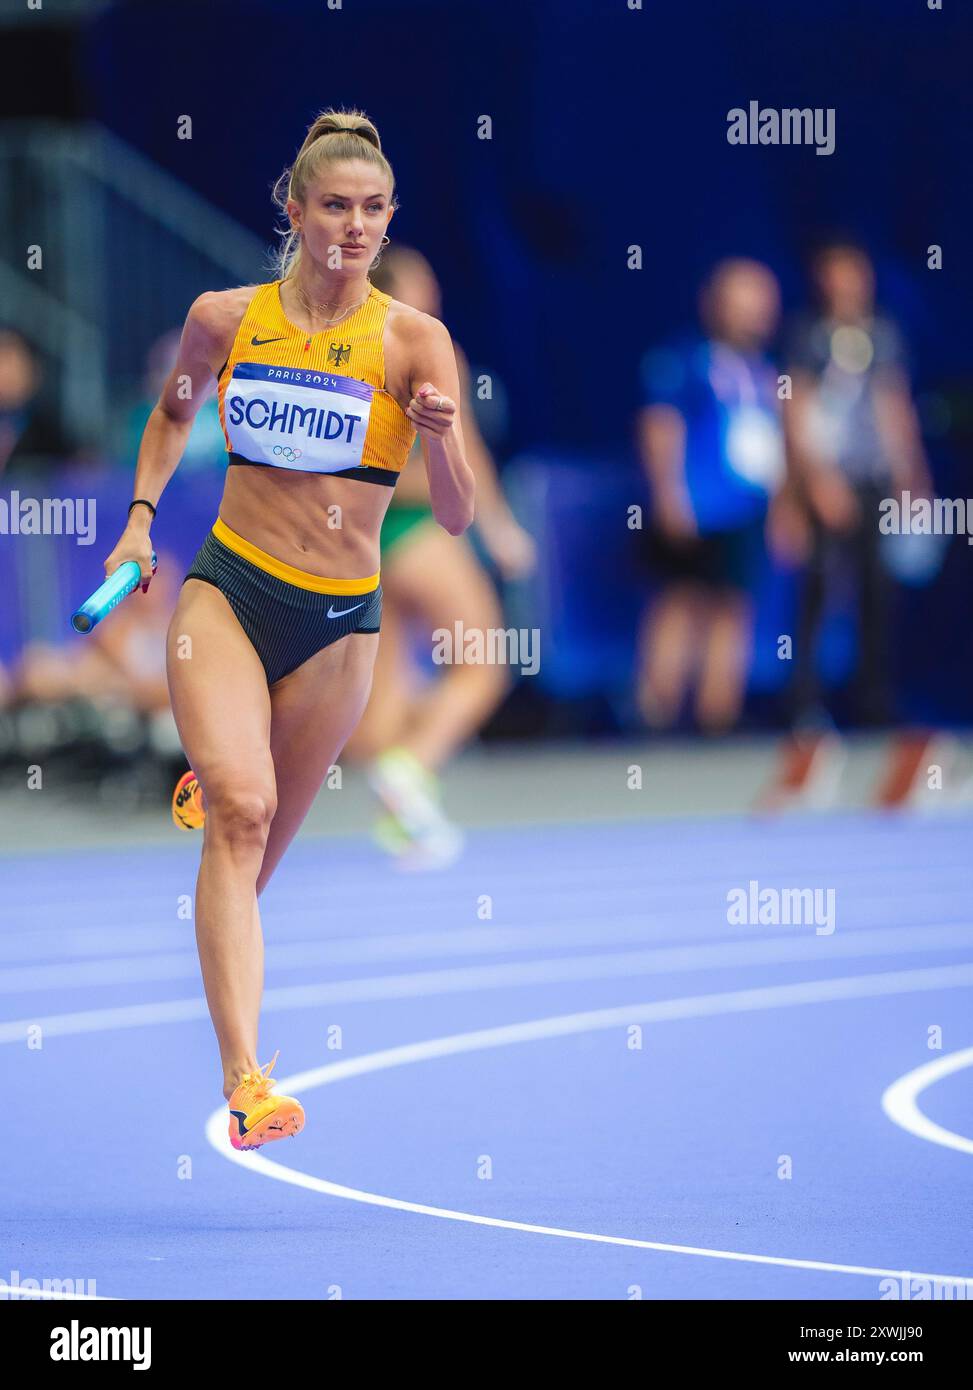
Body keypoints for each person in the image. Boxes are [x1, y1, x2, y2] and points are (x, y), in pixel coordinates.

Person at [101, 109, 475, 1152]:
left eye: (370, 211)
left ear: (387, 218)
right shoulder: (225, 318)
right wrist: (137, 524)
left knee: (252, 858)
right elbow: (175, 410)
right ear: (294, 209)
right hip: (230, 589)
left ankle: (220, 775)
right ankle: (248, 1080)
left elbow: (453, 515)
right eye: (333, 207)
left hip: (341, 626)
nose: (352, 228)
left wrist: (440, 448)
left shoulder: (412, 340)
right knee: (245, 812)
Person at [342, 245, 535, 867]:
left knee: (377, 719)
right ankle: (412, 770)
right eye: (425, 283)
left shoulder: (340, 350)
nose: (437, 294)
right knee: (485, 663)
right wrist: (501, 529)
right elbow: (465, 450)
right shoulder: (431, 347)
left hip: (359, 545)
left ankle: (407, 820)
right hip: (413, 533)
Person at [760, 240, 935, 809]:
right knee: (813, 593)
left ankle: (874, 705)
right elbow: (795, 407)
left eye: (852, 273)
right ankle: (804, 714)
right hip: (822, 479)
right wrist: (811, 483)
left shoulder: (882, 332)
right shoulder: (807, 335)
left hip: (873, 479)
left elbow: (894, 406)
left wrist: (913, 478)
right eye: (833, 274)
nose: (844, 284)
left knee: (876, 593)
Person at [635, 259, 786, 733]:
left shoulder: (763, 370)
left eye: (762, 306)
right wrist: (669, 494)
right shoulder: (683, 360)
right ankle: (654, 716)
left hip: (747, 509)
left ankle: (716, 719)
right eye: (744, 305)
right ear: (716, 305)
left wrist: (784, 507)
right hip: (697, 506)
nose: (755, 316)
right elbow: (660, 425)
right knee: (679, 602)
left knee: (734, 606)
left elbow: (774, 441)